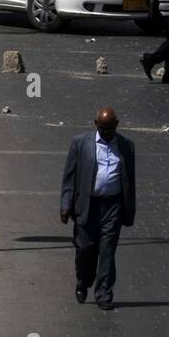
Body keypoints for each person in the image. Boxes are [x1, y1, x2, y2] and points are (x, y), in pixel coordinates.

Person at [60, 107, 137, 311]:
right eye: (102, 129)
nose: (106, 133)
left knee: (107, 250)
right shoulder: (80, 143)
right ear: (95, 125)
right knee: (85, 249)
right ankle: (83, 280)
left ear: (117, 125)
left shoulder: (126, 146)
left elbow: (130, 180)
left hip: (113, 206)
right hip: (87, 205)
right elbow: (69, 176)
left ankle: (104, 293)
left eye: (110, 129)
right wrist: (66, 204)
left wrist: (129, 209)